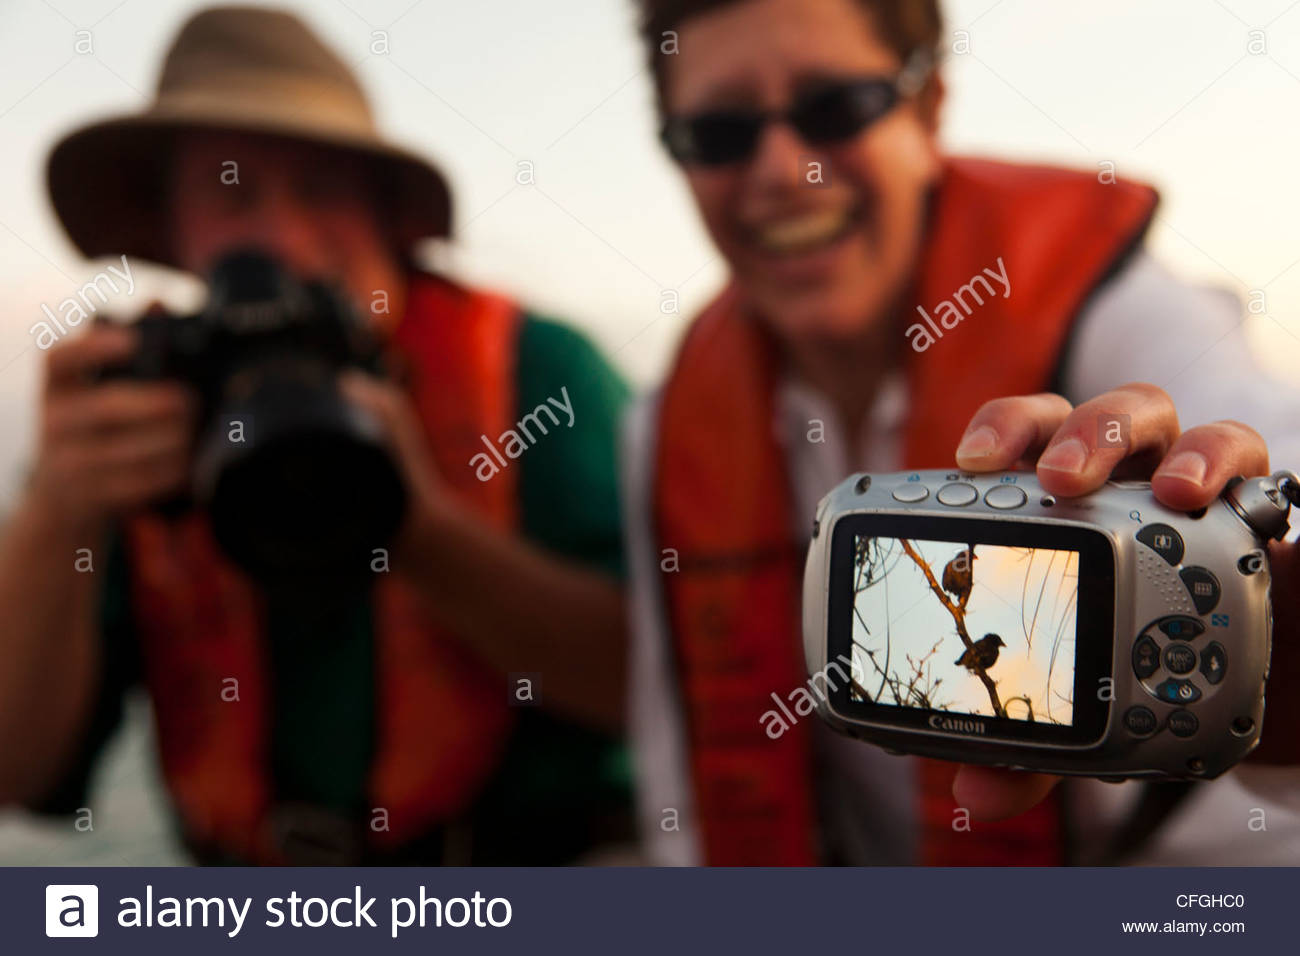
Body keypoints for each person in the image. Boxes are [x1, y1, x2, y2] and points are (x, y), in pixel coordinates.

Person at [624, 0, 1300, 865]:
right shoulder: (662, 428)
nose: (784, 170)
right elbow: (671, 749)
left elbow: (1268, 441)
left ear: (929, 105)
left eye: (836, 108)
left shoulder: (1118, 310)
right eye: (717, 133)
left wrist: (1286, 621)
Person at [0, 6, 632, 865]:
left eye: (321, 189)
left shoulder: (537, 370)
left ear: (385, 215)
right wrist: (55, 511)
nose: (284, 239)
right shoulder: (137, 422)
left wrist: (416, 526)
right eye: (231, 193)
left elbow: (658, 685)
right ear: (170, 229)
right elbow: (16, 767)